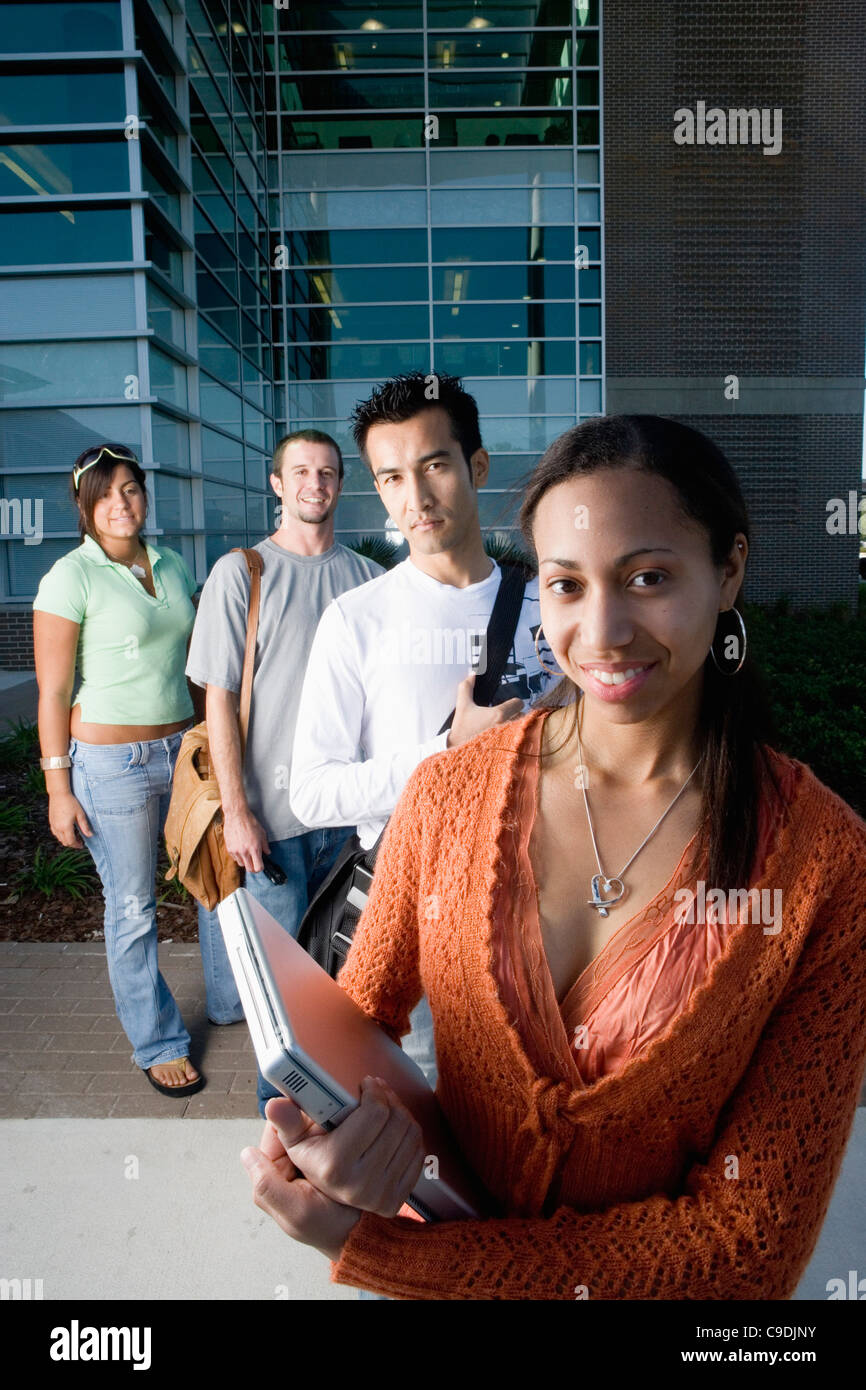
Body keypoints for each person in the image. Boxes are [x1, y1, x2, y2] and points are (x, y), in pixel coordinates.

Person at [240, 414, 866, 1299]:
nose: (603, 633)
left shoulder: (825, 865)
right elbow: (354, 1028)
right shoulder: (448, 794)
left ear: (729, 569)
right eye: (568, 586)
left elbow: (747, 1248)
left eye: (648, 577)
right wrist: (338, 1145)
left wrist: (397, 1258)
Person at [288, 371, 562, 1088]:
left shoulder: (551, 609)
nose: (415, 498)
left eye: (434, 466)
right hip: (423, 913)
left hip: (545, 908)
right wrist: (445, 752)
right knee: (431, 1113)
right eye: (390, 478)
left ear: (475, 466)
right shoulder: (358, 620)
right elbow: (312, 795)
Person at [186, 429, 384, 1117]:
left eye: (328, 472)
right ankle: (286, 1129)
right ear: (277, 483)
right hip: (271, 824)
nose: (315, 483)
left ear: (340, 484)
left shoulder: (366, 578)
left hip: (348, 822)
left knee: (343, 982)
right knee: (281, 996)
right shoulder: (241, 574)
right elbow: (219, 697)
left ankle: (340, 1111)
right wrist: (236, 812)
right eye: (300, 471)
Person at [32, 444, 203, 1097]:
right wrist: (57, 786)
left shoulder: (173, 563)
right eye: (106, 494)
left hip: (183, 750)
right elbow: (51, 692)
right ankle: (157, 1041)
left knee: (214, 884)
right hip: (114, 765)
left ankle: (231, 1005)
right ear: (85, 504)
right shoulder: (70, 576)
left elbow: (191, 662)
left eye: (131, 489)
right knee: (132, 907)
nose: (122, 503)